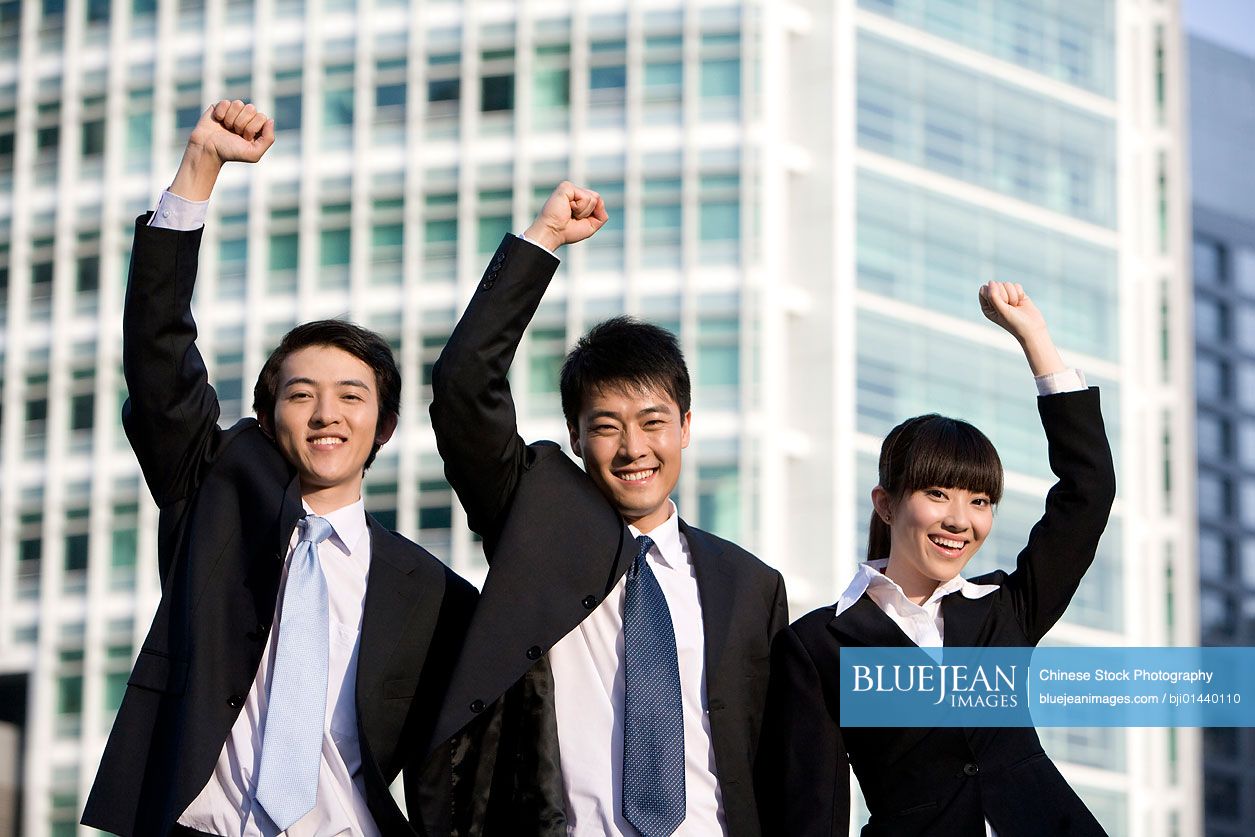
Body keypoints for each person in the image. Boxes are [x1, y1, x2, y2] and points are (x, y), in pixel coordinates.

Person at [81, 101, 477, 837]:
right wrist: (200, 165)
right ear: (266, 421)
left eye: (351, 397)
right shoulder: (217, 497)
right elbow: (160, 361)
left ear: (385, 426)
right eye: (301, 395)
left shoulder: (432, 592)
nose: (326, 414)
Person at [426, 183, 789, 836]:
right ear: (574, 435)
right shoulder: (535, 522)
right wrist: (542, 239)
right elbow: (463, 386)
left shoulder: (750, 586)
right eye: (606, 426)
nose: (633, 448)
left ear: (685, 426)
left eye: (652, 422)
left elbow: (776, 757)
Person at [754, 282, 1117, 837]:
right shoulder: (819, 646)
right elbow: (812, 810)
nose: (960, 520)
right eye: (938, 494)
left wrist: (1035, 337)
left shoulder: (1005, 609)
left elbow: (1087, 492)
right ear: (886, 503)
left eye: (980, 501)